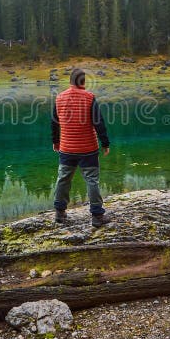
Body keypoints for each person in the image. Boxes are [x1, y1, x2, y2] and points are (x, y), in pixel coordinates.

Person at [50, 68, 111, 227]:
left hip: (66, 148)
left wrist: (56, 142)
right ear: (83, 82)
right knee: (92, 180)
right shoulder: (89, 97)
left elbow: (54, 123)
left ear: (70, 81)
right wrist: (105, 143)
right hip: (88, 149)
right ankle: (97, 216)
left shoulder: (59, 98)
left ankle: (59, 213)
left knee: (63, 179)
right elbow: (99, 122)